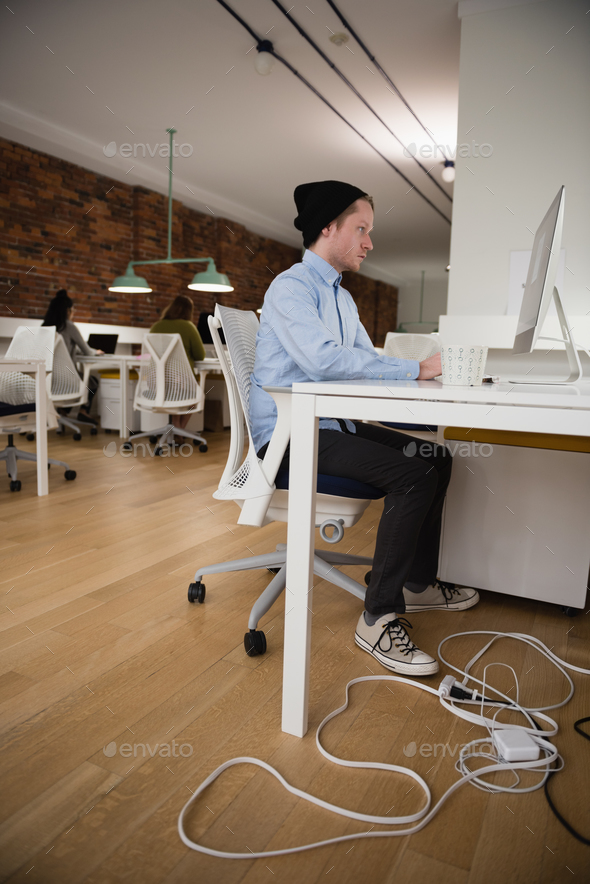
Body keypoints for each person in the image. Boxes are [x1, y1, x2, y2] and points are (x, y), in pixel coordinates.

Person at [250, 180, 479, 677]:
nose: (369, 243)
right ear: (328, 228)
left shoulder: (343, 299)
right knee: (413, 474)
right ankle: (377, 618)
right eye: (361, 229)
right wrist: (417, 371)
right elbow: (326, 361)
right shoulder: (291, 288)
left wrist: (425, 369)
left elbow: (365, 360)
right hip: (290, 438)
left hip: (328, 425)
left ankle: (416, 585)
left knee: (435, 457)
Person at [42, 289, 103, 423]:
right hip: (66, 380)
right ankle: (83, 411)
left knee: (84, 379)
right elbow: (87, 351)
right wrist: (95, 351)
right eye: (73, 310)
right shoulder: (68, 326)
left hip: (46, 380)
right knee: (92, 382)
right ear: (67, 311)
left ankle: (63, 412)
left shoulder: (44, 328)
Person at [149, 295, 205, 431]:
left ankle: (176, 428)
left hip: (155, 384)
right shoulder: (188, 327)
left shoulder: (156, 327)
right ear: (188, 311)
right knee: (198, 395)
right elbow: (200, 355)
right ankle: (179, 430)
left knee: (172, 391)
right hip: (181, 384)